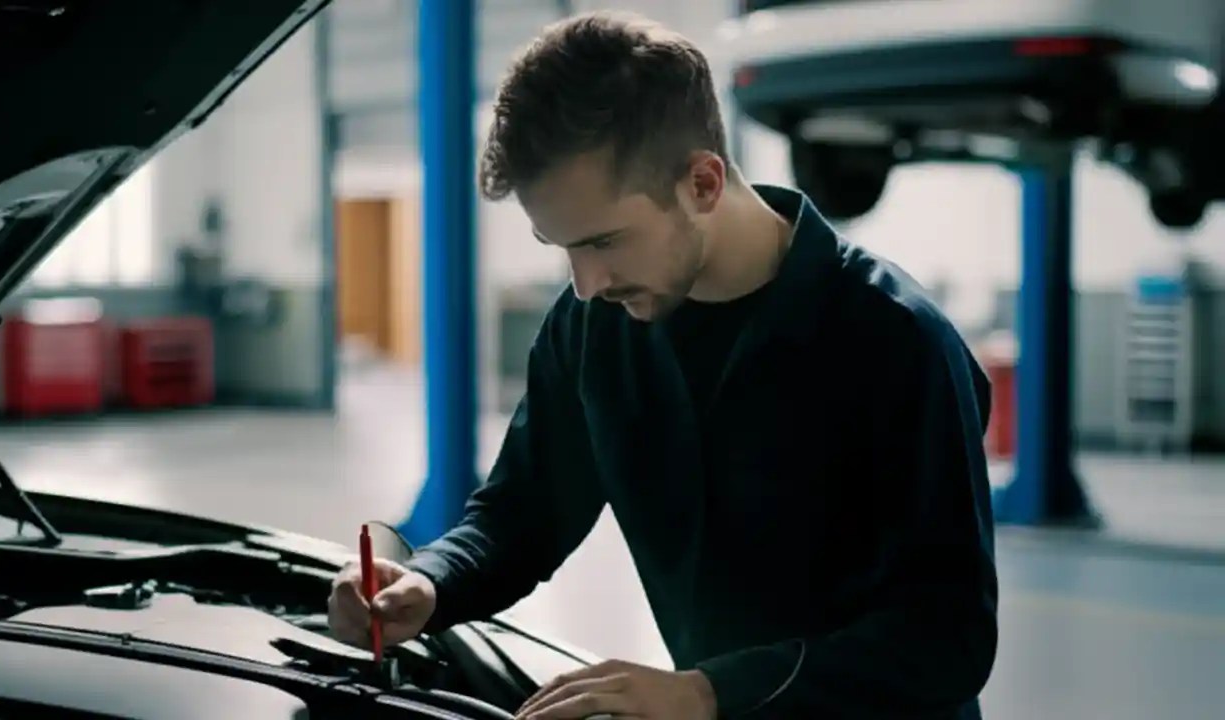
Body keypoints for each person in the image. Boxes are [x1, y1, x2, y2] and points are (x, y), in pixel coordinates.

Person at [329, 10, 998, 720]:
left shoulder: (896, 339)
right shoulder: (591, 328)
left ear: (703, 183)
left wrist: (709, 692)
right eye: (563, 248)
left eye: (605, 241)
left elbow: (944, 638)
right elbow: (524, 514)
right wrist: (430, 583)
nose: (586, 284)